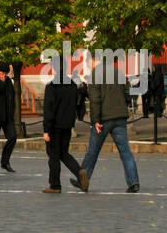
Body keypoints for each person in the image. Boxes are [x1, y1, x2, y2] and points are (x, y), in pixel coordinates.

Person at [81, 55, 140, 192]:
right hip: (120, 116)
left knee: (92, 151)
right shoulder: (118, 72)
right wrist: (121, 106)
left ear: (93, 61)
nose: (89, 67)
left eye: (88, 63)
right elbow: (128, 92)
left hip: (103, 119)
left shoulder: (95, 75)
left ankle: (83, 179)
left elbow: (95, 100)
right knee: (125, 152)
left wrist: (95, 120)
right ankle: (134, 182)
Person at [41, 57, 86, 193]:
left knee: (53, 155)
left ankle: (55, 185)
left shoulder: (52, 86)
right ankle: (79, 171)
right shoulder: (73, 85)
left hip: (54, 125)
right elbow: (77, 104)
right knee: (63, 153)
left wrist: (46, 129)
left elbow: (48, 109)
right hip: (67, 124)